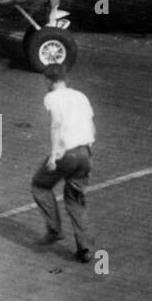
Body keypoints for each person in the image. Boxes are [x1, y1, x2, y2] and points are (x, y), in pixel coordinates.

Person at [31, 64, 95, 263]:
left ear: (49, 81)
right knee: (76, 199)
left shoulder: (51, 98)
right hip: (85, 152)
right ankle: (84, 248)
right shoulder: (80, 96)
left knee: (40, 185)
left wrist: (54, 155)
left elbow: (56, 125)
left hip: (66, 153)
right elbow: (91, 122)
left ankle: (54, 229)